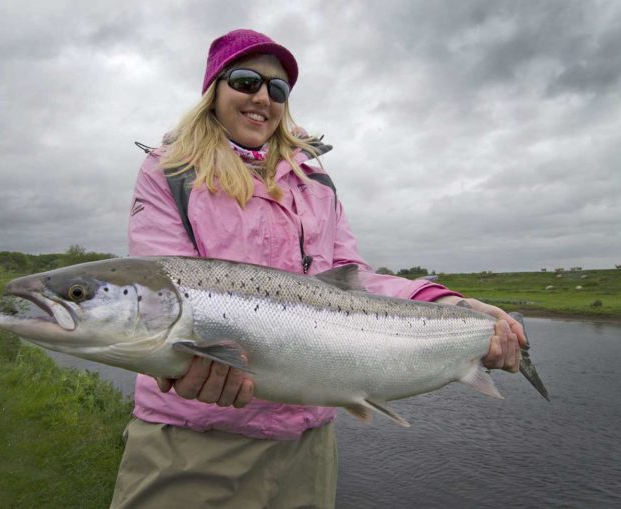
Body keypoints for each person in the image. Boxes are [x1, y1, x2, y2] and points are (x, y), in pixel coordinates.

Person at [111, 29, 526, 509]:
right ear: (213, 89)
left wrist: (442, 301)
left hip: (307, 445)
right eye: (245, 81)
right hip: (190, 439)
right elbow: (162, 286)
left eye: (278, 88)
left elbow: (350, 277)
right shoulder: (169, 170)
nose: (263, 97)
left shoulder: (314, 179)